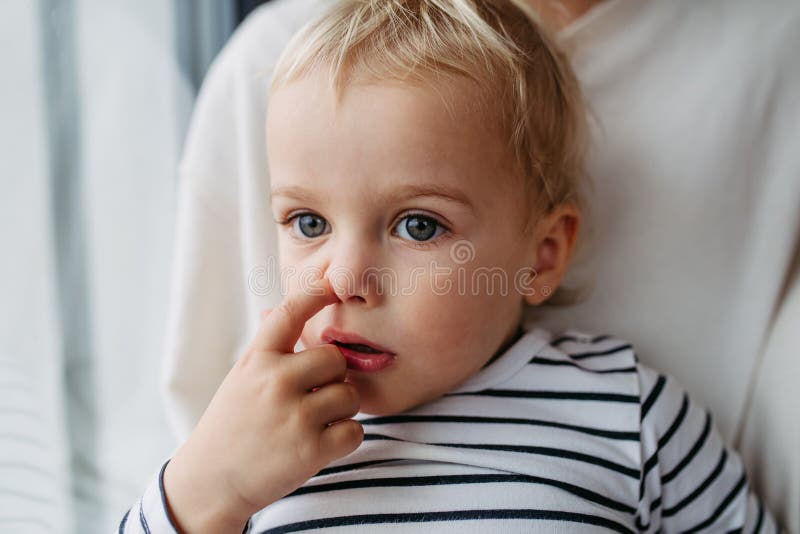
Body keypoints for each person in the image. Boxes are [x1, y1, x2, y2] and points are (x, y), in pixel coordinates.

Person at [117, 1, 783, 532]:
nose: (343, 278)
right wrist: (202, 492)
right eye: (309, 223)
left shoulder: (629, 415)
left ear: (542, 255)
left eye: (419, 226)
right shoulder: (259, 433)